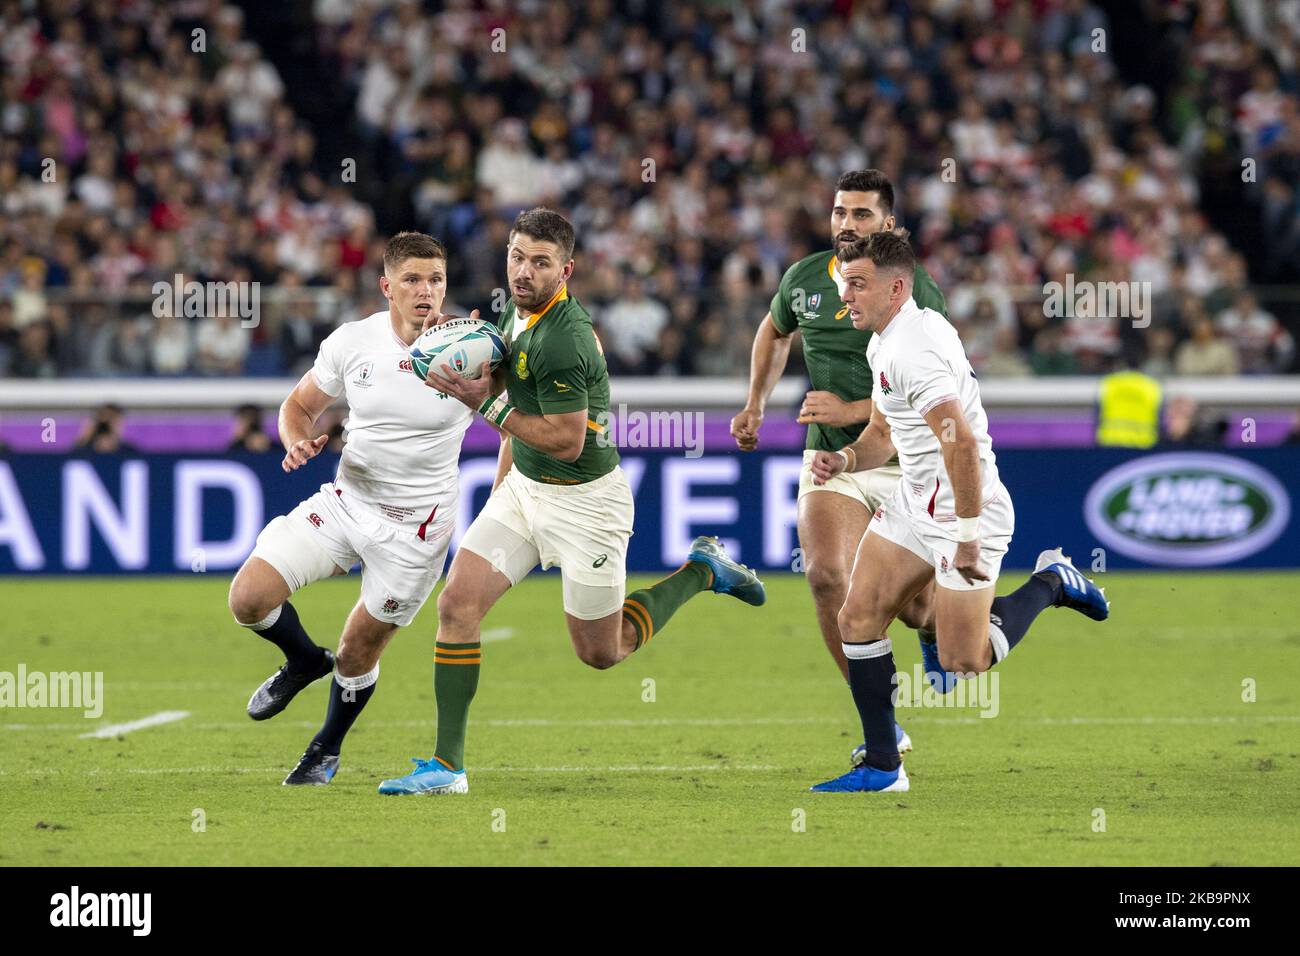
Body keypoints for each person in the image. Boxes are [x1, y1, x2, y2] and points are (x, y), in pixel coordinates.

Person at [377, 208, 766, 796]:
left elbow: (566, 440)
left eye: (540, 263)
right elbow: (512, 402)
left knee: (603, 652)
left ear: (566, 270)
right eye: (517, 257)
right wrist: (466, 355)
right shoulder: (513, 313)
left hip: (587, 504)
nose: (524, 271)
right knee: (456, 605)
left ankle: (701, 571)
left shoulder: (565, 336)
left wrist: (481, 403)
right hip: (524, 491)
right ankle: (447, 767)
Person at [805, 232, 1109, 793]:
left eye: (858, 284)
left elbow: (961, 445)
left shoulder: (913, 350)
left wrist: (967, 536)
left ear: (896, 288)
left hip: (964, 511)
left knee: (964, 661)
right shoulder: (885, 341)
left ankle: (1051, 583)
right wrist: (844, 459)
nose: (846, 296)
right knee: (857, 617)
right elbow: (884, 434)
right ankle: (883, 766)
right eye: (846, 283)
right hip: (914, 501)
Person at [226, 231, 470, 785]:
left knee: (357, 651)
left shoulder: (474, 348)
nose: (425, 290)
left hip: (416, 532)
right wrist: (296, 440)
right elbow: (298, 405)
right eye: (411, 279)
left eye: (435, 279)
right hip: (347, 502)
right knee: (248, 598)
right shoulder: (352, 341)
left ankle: (325, 748)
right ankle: (303, 660)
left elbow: (516, 419)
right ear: (386, 286)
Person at [730, 169, 950, 770]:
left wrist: (851, 409)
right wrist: (755, 403)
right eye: (839, 212)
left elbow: (932, 384)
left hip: (905, 458)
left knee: (915, 608)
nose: (847, 224)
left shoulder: (916, 290)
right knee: (827, 576)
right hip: (832, 459)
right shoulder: (804, 279)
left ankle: (934, 630)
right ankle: (879, 723)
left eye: (861, 214)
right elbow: (774, 330)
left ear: (889, 224)